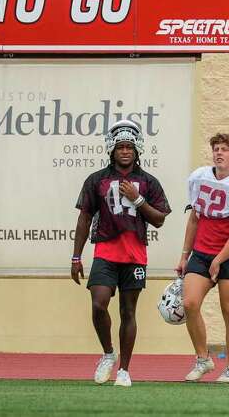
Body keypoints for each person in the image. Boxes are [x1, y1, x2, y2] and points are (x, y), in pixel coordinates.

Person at [70, 119, 171, 387]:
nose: (124, 151)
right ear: (111, 150)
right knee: (98, 304)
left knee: (128, 311)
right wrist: (76, 256)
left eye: (129, 147)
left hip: (135, 254)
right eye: (120, 147)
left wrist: (138, 199)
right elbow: (84, 218)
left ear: (137, 150)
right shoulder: (97, 180)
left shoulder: (148, 182)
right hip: (105, 251)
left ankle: (124, 370)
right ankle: (108, 354)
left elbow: (160, 219)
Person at [177, 133, 229, 384]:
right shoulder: (199, 177)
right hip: (202, 253)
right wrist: (185, 255)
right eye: (216, 148)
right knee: (190, 303)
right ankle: (203, 359)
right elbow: (194, 219)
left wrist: (219, 259)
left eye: (225, 149)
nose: (219, 153)